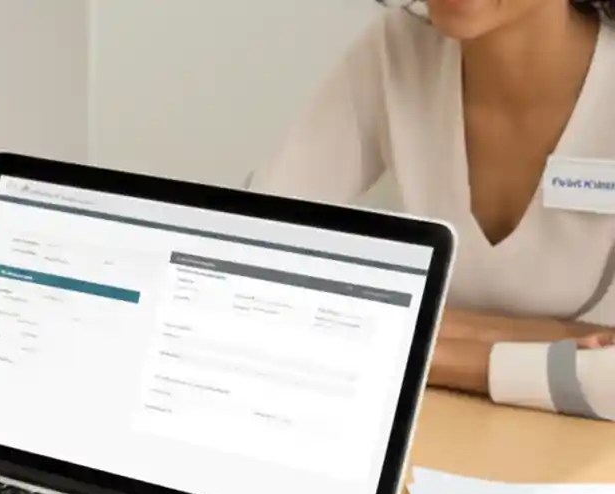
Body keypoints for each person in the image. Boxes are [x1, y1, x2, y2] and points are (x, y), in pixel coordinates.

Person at [251, 0, 615, 419]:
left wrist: (401, 341)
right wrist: (555, 343)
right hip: (436, 438)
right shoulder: (397, 49)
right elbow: (243, 260)